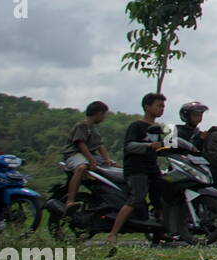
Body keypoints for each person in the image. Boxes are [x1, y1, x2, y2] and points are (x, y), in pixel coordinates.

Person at [107, 93, 168, 251]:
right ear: (147, 107)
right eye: (158, 106)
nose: (161, 109)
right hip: (136, 167)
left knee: (160, 196)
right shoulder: (136, 126)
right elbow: (129, 146)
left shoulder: (159, 128)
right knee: (137, 197)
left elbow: (164, 145)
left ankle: (158, 232)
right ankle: (113, 234)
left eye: (163, 106)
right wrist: (148, 146)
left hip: (151, 166)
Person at [62, 101, 113, 212]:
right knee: (82, 168)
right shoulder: (82, 125)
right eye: (104, 114)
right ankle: (70, 200)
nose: (105, 117)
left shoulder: (94, 129)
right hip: (74, 154)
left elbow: (100, 145)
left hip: (90, 156)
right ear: (99, 113)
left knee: (114, 167)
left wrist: (107, 160)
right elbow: (80, 144)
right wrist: (91, 160)